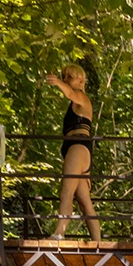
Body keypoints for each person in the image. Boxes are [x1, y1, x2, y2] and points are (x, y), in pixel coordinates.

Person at [45, 65, 101, 243]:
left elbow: (69, 93)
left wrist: (57, 83)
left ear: (81, 80)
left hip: (77, 147)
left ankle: (60, 233)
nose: (66, 79)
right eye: (64, 76)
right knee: (85, 201)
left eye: (70, 77)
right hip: (79, 150)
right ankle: (98, 242)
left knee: (66, 192)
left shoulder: (81, 97)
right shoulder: (76, 102)